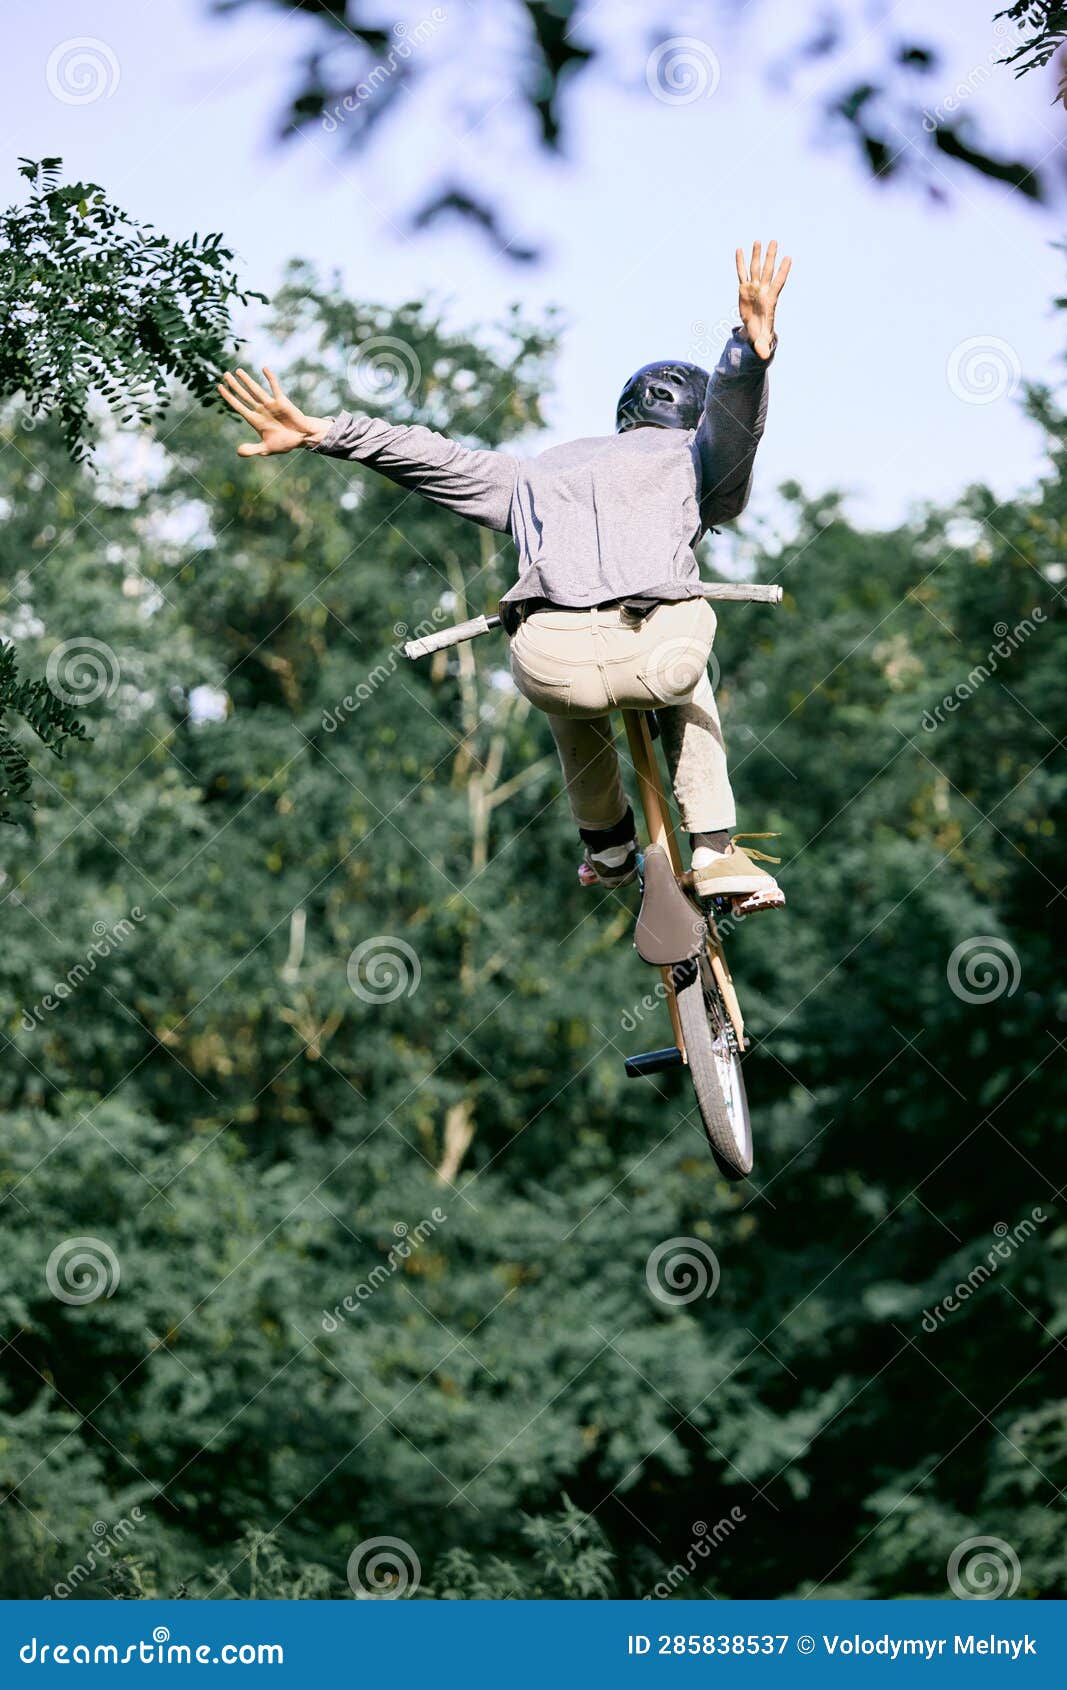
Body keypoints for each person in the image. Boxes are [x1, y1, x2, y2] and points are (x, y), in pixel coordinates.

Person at [218, 240, 790, 911]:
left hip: (552, 666)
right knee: (683, 663)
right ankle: (716, 850)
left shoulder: (537, 471)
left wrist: (325, 431)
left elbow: (432, 456)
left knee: (554, 649)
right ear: (684, 422)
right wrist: (746, 353)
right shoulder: (692, 457)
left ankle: (605, 847)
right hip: (657, 656)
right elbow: (732, 428)